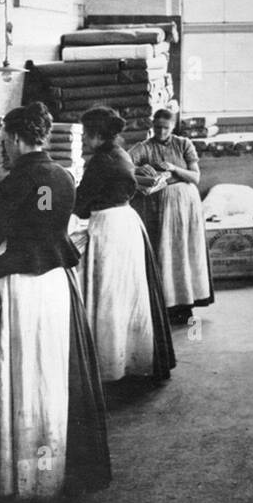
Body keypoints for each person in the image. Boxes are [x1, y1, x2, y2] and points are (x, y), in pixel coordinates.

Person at [0, 102, 110, 498]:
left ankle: (34, 476)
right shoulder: (62, 175)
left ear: (17, 140)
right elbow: (47, 225)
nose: (4, 149)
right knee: (51, 374)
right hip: (56, 282)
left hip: (27, 286)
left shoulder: (19, 179)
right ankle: (54, 466)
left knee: (30, 377)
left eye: (5, 143)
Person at [75, 107, 175, 383]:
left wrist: (54, 202)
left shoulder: (99, 161)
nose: (83, 139)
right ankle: (132, 361)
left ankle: (113, 365)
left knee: (111, 299)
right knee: (128, 297)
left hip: (109, 230)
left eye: (85, 134)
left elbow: (81, 203)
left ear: (96, 135)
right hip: (126, 224)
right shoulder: (120, 154)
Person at [129, 108, 213, 325]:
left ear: (173, 127)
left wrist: (174, 168)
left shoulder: (184, 144)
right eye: (157, 127)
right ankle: (169, 305)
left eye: (165, 128)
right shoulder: (144, 147)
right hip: (162, 208)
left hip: (187, 206)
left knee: (187, 252)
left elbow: (195, 177)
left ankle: (188, 304)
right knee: (167, 253)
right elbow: (126, 165)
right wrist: (141, 170)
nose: (161, 132)